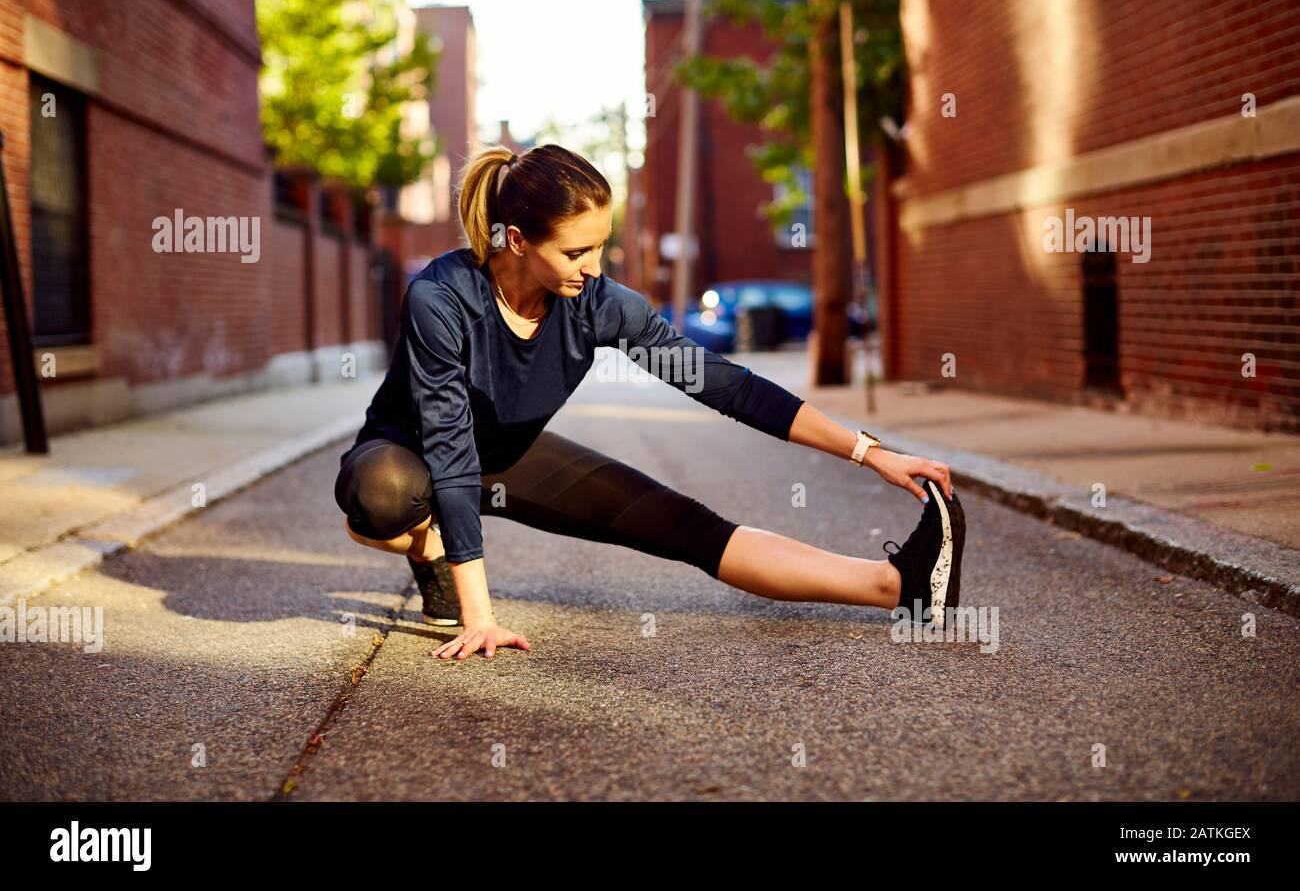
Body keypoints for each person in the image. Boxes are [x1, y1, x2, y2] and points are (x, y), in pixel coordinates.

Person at [334, 143, 966, 661]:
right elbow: (448, 448)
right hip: (412, 457)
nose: (592, 266)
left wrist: (870, 452)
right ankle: (433, 550)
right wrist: (482, 618)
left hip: (510, 456)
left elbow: (728, 386)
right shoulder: (441, 300)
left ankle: (897, 587)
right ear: (518, 240)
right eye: (574, 251)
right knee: (380, 495)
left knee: (688, 527)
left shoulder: (601, 303)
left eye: (600, 245)